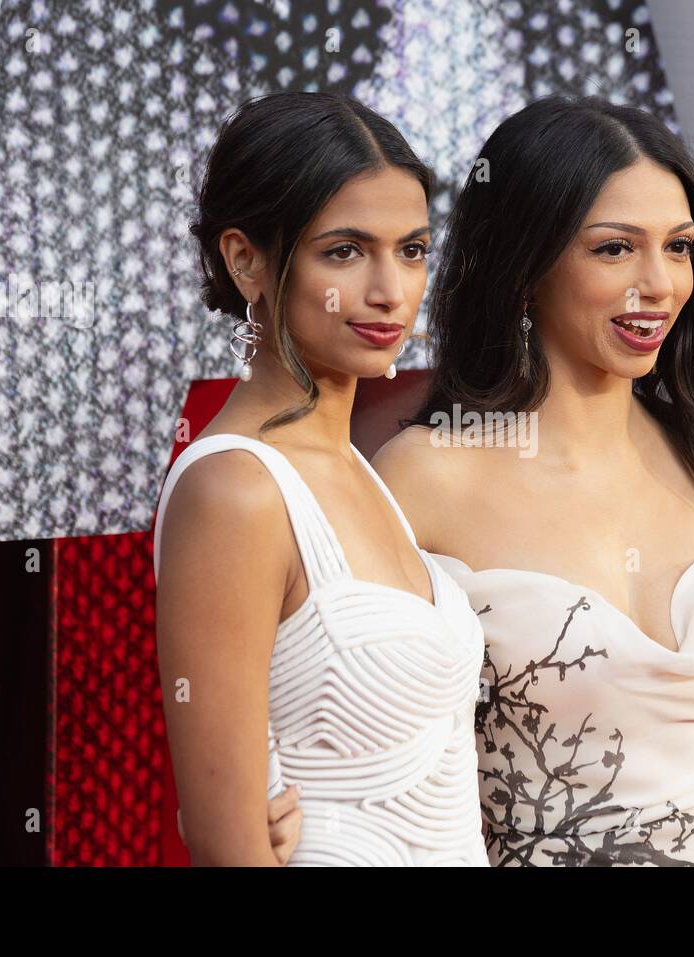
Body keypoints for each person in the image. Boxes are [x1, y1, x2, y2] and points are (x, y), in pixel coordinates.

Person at [374, 95, 694, 866]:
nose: (659, 284)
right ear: (524, 266)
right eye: (614, 249)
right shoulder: (424, 477)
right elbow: (377, 771)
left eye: (679, 246)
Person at [154, 92, 489, 866]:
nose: (390, 290)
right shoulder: (235, 489)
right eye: (344, 250)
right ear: (247, 260)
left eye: (412, 249)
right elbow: (228, 844)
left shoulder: (362, 472)